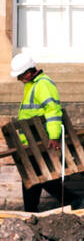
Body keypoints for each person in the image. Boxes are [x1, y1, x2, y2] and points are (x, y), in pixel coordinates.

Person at [9, 49, 65, 211]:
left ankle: (72, 200)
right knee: (32, 177)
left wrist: (54, 136)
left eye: (20, 75)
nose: (19, 79)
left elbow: (53, 110)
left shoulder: (43, 85)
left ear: (29, 71)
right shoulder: (32, 85)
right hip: (32, 139)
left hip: (40, 138)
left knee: (37, 176)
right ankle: (31, 211)